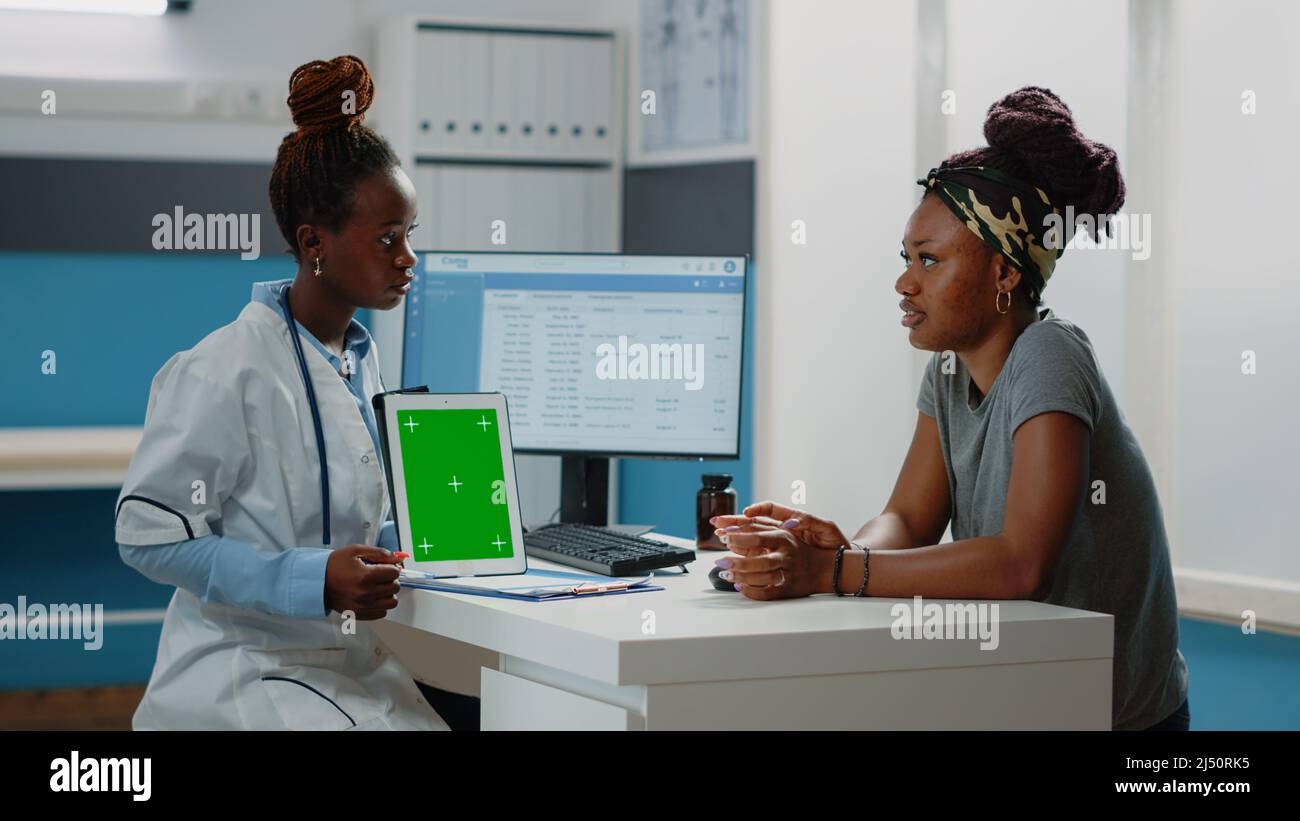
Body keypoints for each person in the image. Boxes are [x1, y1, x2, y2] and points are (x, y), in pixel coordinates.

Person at [714, 87, 1190, 731]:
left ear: (1005, 275)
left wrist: (832, 570)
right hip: (1027, 701)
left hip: (1118, 725)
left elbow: (1022, 563)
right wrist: (839, 546)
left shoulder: (1050, 354)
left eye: (930, 261)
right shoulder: (948, 369)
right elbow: (908, 518)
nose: (905, 283)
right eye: (906, 260)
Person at [116, 55, 461, 730]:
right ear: (314, 244)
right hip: (245, 666)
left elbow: (345, 519)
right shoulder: (226, 368)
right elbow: (146, 537)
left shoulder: (358, 358)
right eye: (387, 238)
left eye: (411, 234)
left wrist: (412, 544)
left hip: (348, 660)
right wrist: (312, 578)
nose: (408, 257)